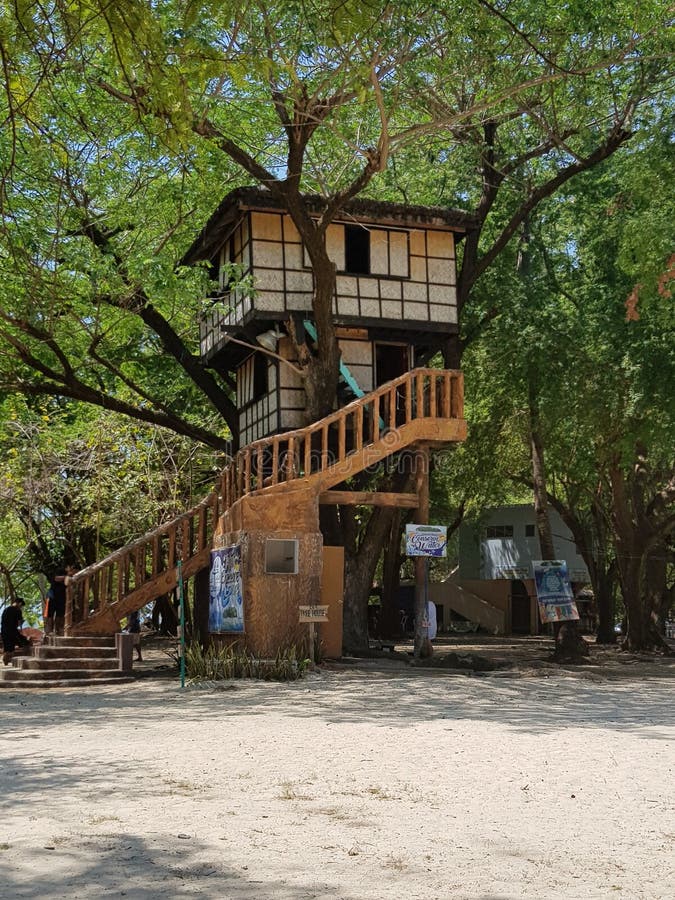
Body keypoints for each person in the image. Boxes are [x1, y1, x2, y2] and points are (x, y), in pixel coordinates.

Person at [2, 597, 30, 666]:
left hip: (4, 630)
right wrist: (21, 625)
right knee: (25, 643)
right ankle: (25, 659)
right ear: (19, 603)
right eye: (21, 606)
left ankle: (6, 660)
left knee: (8, 647)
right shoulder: (17, 610)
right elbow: (19, 623)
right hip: (13, 631)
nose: (21, 607)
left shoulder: (6, 609)